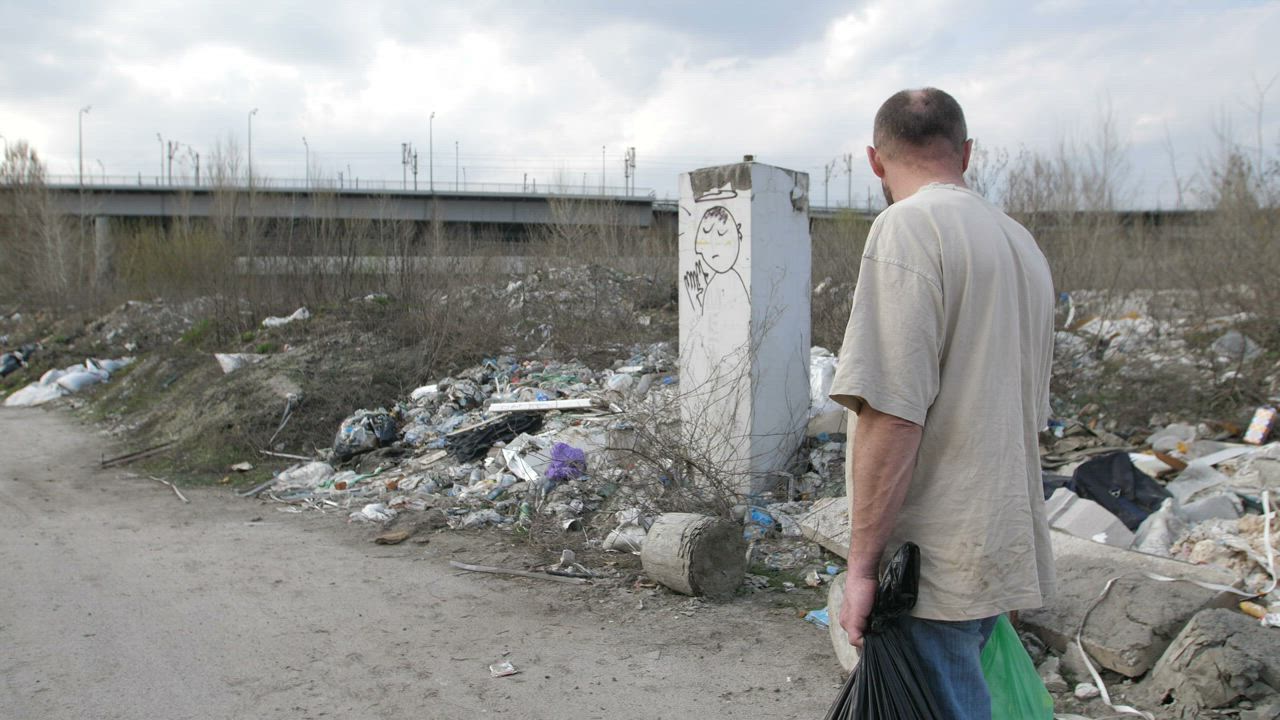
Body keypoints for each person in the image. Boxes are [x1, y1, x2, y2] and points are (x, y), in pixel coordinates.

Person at [829, 87, 1056, 719]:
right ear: (968, 153)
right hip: (993, 550)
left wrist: (864, 570)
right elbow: (1024, 416)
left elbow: (892, 411)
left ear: (875, 160)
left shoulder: (907, 227)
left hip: (930, 565)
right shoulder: (1020, 245)